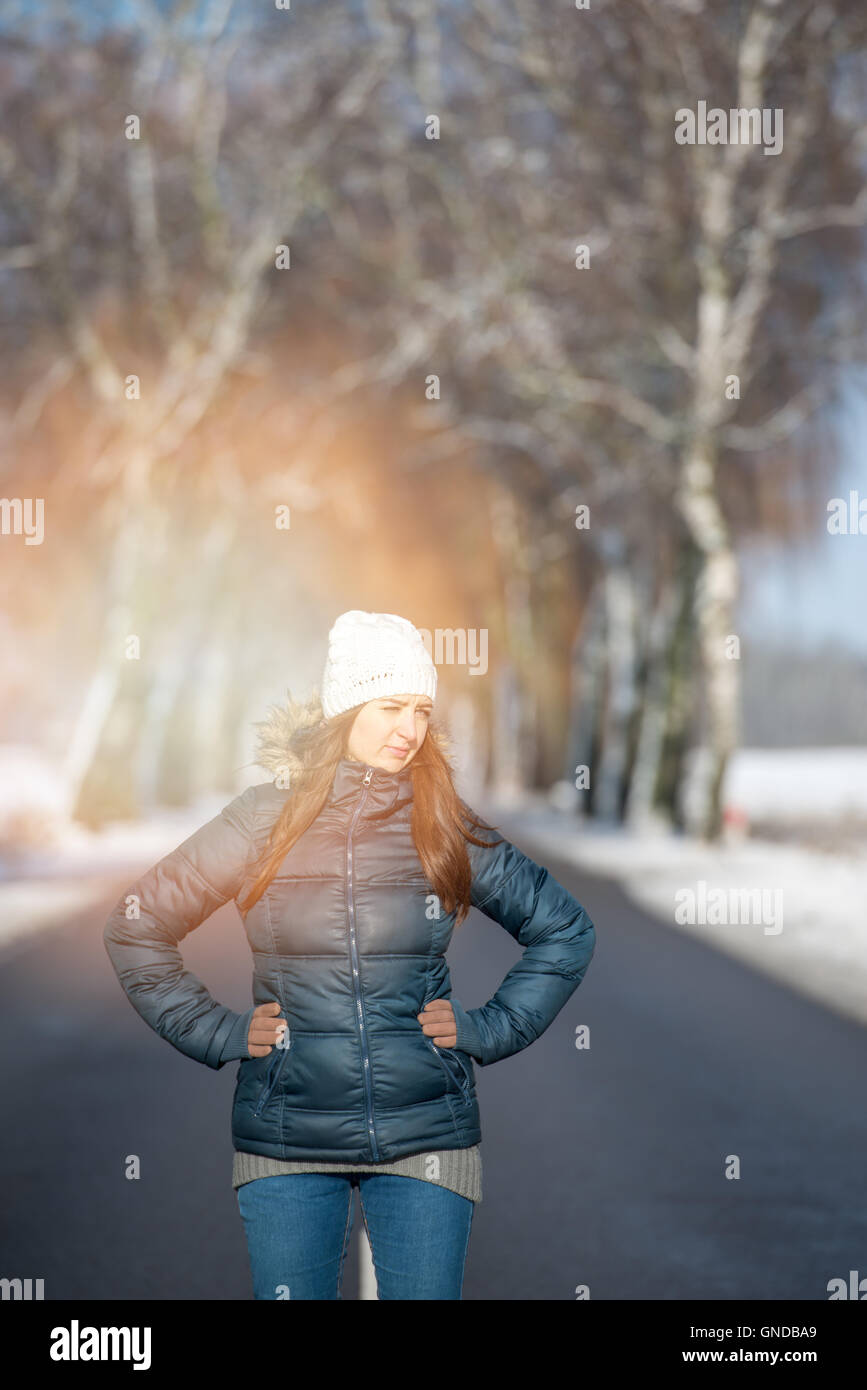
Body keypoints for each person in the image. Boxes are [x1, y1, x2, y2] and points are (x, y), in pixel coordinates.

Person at [103, 609, 596, 1299]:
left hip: (428, 1138)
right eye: (390, 706)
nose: (409, 729)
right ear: (344, 711)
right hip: (286, 1142)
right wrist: (219, 1031)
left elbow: (564, 929)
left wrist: (486, 1028)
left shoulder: (440, 819)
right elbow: (136, 925)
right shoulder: (260, 820)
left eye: (421, 709)